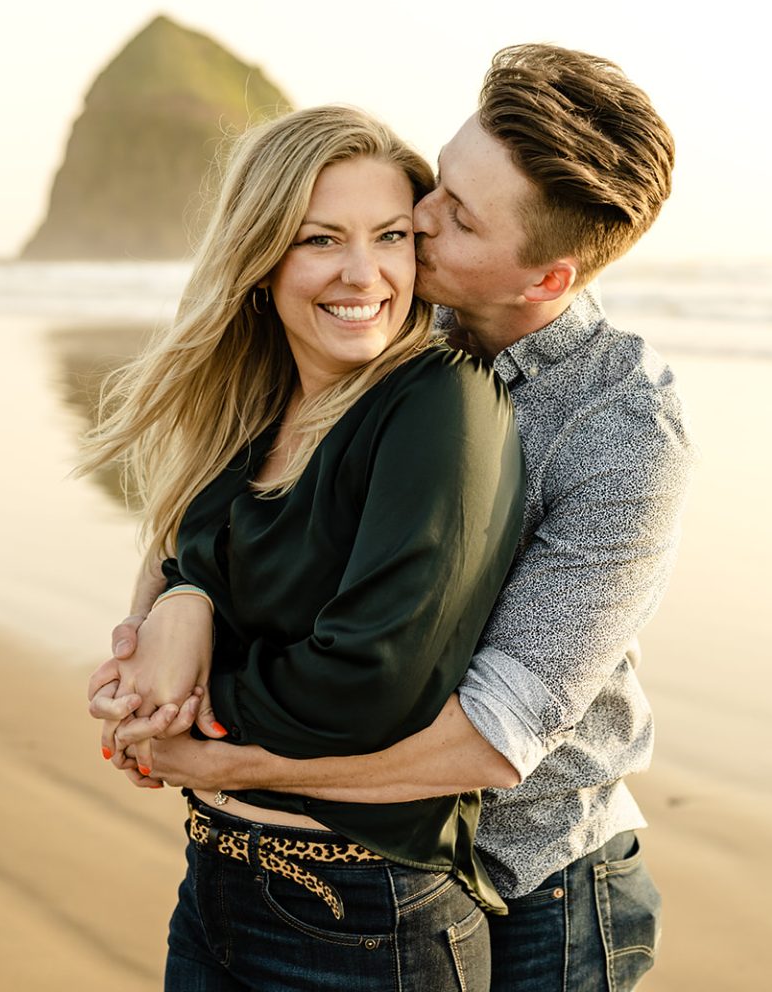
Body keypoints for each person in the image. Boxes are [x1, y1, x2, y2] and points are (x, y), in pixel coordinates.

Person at [94, 44, 691, 991]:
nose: (419, 218)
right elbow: (218, 504)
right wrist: (166, 623)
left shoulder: (623, 432)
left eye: (459, 218)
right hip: (337, 859)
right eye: (440, 180)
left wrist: (213, 755)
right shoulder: (384, 310)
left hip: (540, 880)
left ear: (545, 278)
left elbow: (488, 743)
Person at [77, 104, 525, 990]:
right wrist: (179, 608)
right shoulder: (251, 409)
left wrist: (182, 714)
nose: (364, 273)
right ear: (262, 260)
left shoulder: (439, 401)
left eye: (390, 236)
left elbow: (371, 680)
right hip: (214, 881)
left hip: (367, 919)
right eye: (321, 239)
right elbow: (192, 559)